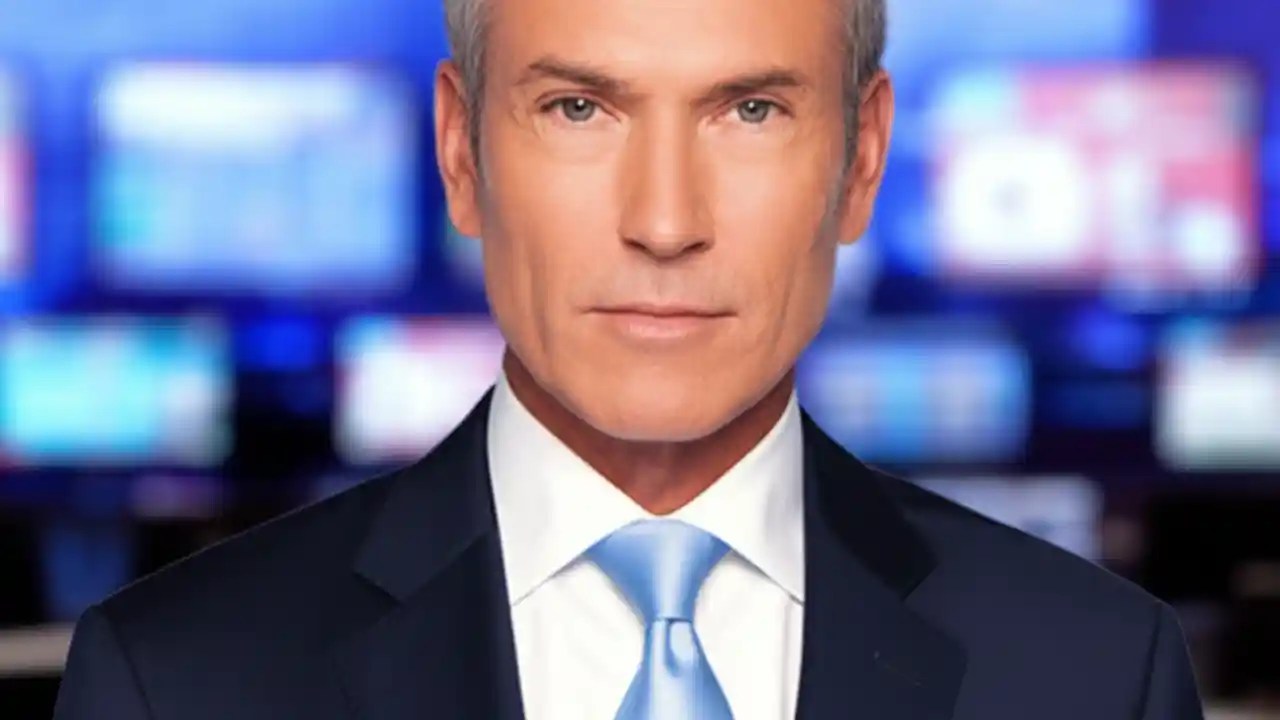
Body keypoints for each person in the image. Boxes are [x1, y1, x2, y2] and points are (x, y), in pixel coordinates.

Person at [54, 0, 1206, 717]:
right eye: (577, 110)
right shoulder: (175, 680)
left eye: (749, 110)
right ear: (461, 154)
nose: (663, 220)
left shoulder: (1095, 673)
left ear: (860, 164)